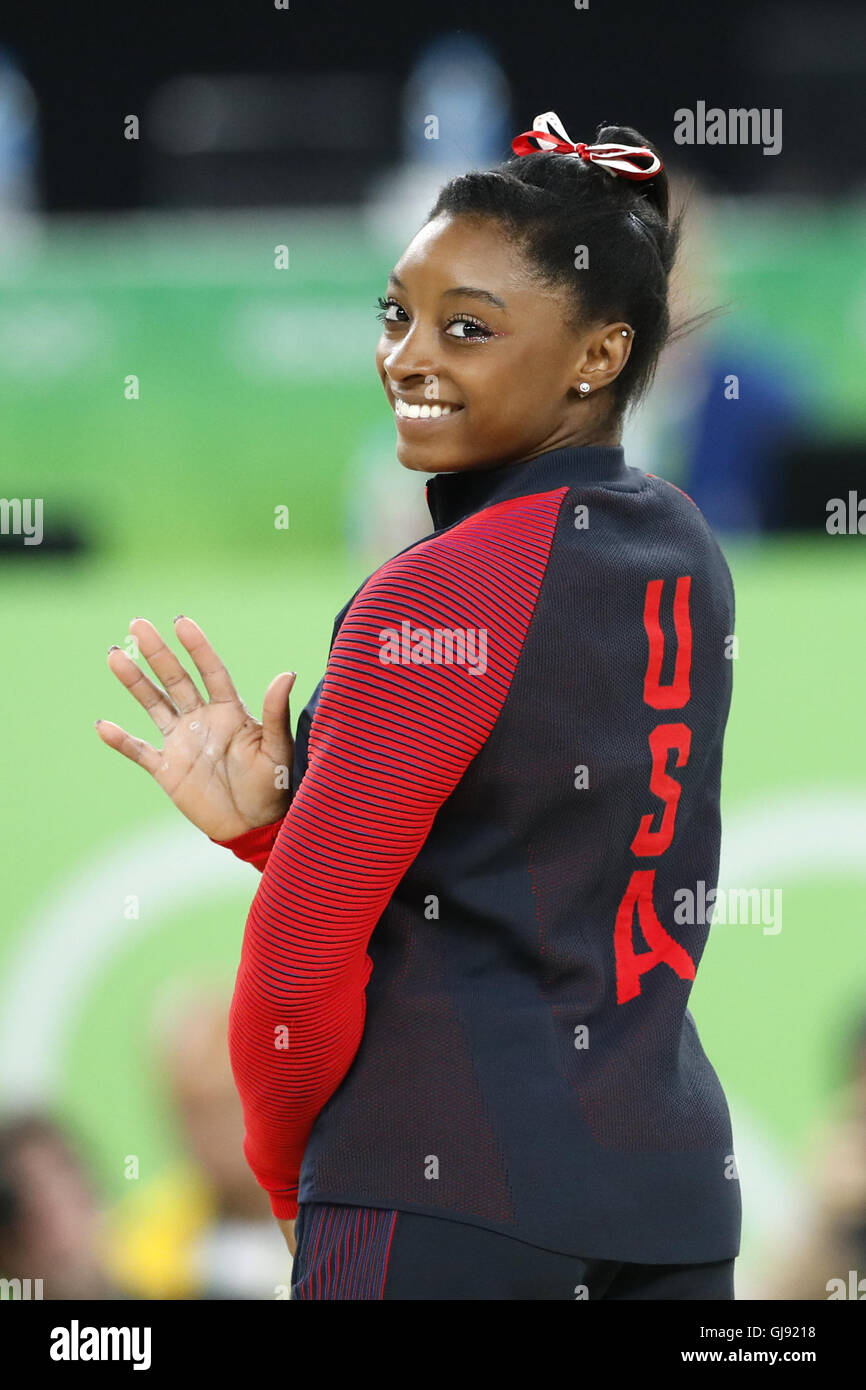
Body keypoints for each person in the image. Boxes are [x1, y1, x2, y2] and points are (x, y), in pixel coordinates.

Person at [96, 110, 741, 1299]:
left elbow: (295, 976)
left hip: (440, 1204)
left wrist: (305, 1196)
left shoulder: (438, 591)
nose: (406, 356)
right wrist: (271, 832)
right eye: (395, 315)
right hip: (671, 1209)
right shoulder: (680, 547)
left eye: (467, 329)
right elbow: (532, 873)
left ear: (597, 355)